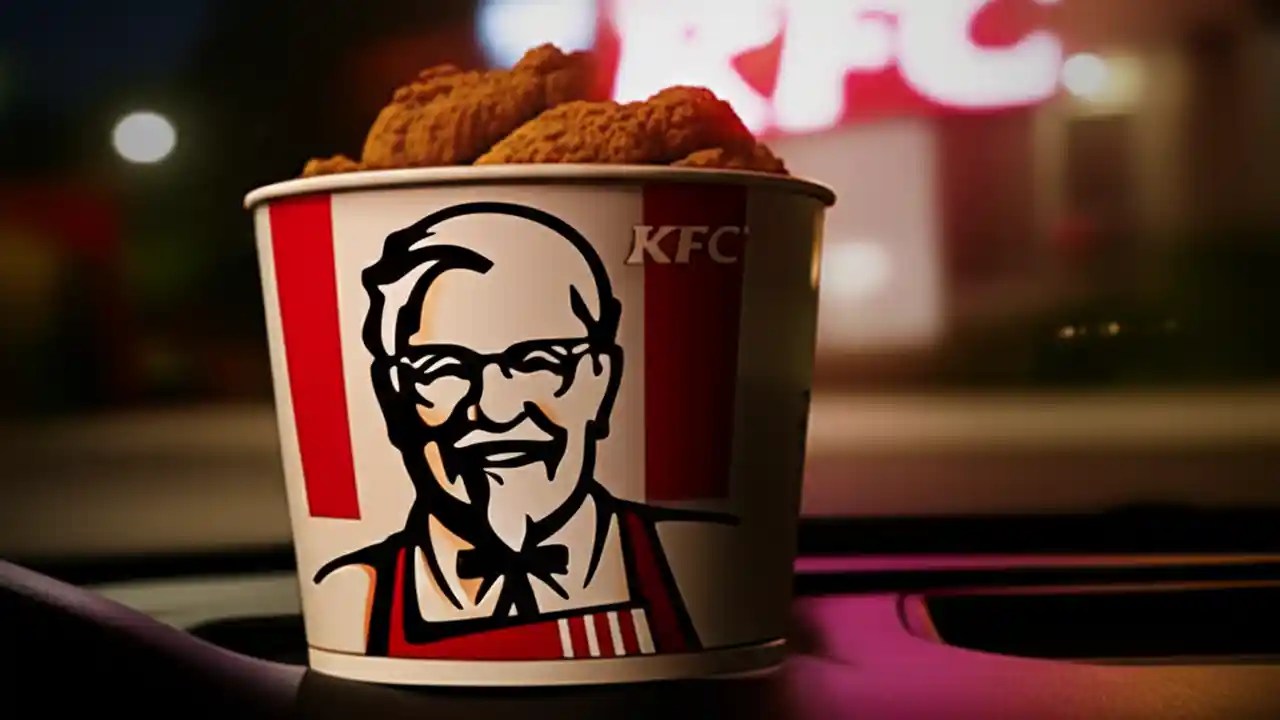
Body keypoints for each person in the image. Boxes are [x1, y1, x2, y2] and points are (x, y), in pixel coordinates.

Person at [315, 201, 735, 660]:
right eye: (445, 368)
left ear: (601, 381)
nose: (495, 409)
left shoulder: (701, 564)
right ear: (395, 398)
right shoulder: (353, 596)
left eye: (538, 362)